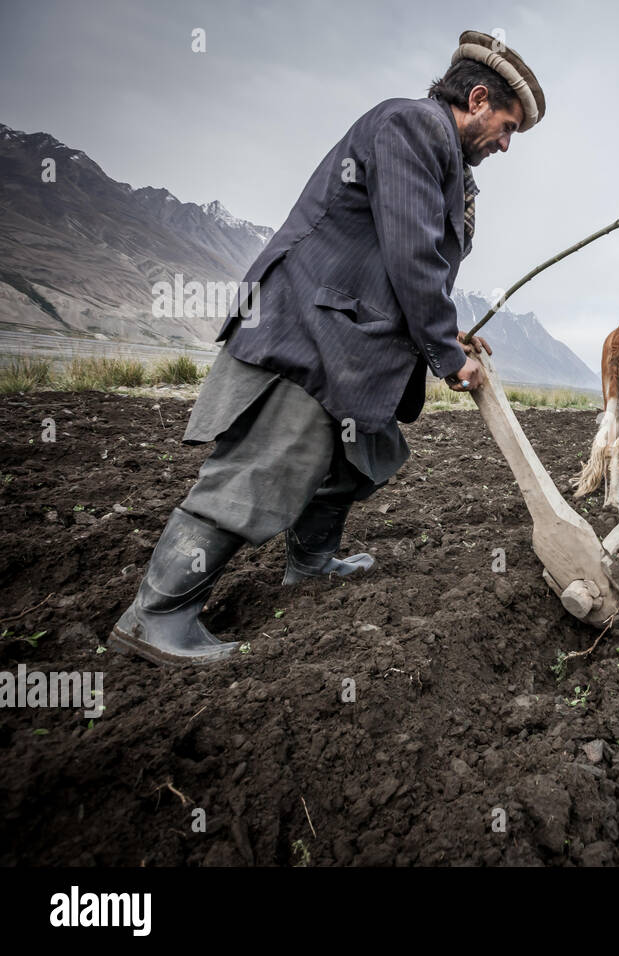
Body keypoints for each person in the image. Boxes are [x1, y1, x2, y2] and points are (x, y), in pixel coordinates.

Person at [110, 30, 545, 665]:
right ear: (478, 99)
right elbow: (411, 256)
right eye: (506, 127)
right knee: (260, 470)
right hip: (311, 337)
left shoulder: (443, 160)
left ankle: (310, 566)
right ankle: (157, 613)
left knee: (357, 461)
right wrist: (449, 360)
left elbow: (403, 259)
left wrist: (445, 330)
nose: (506, 144)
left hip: (353, 348)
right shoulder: (413, 126)